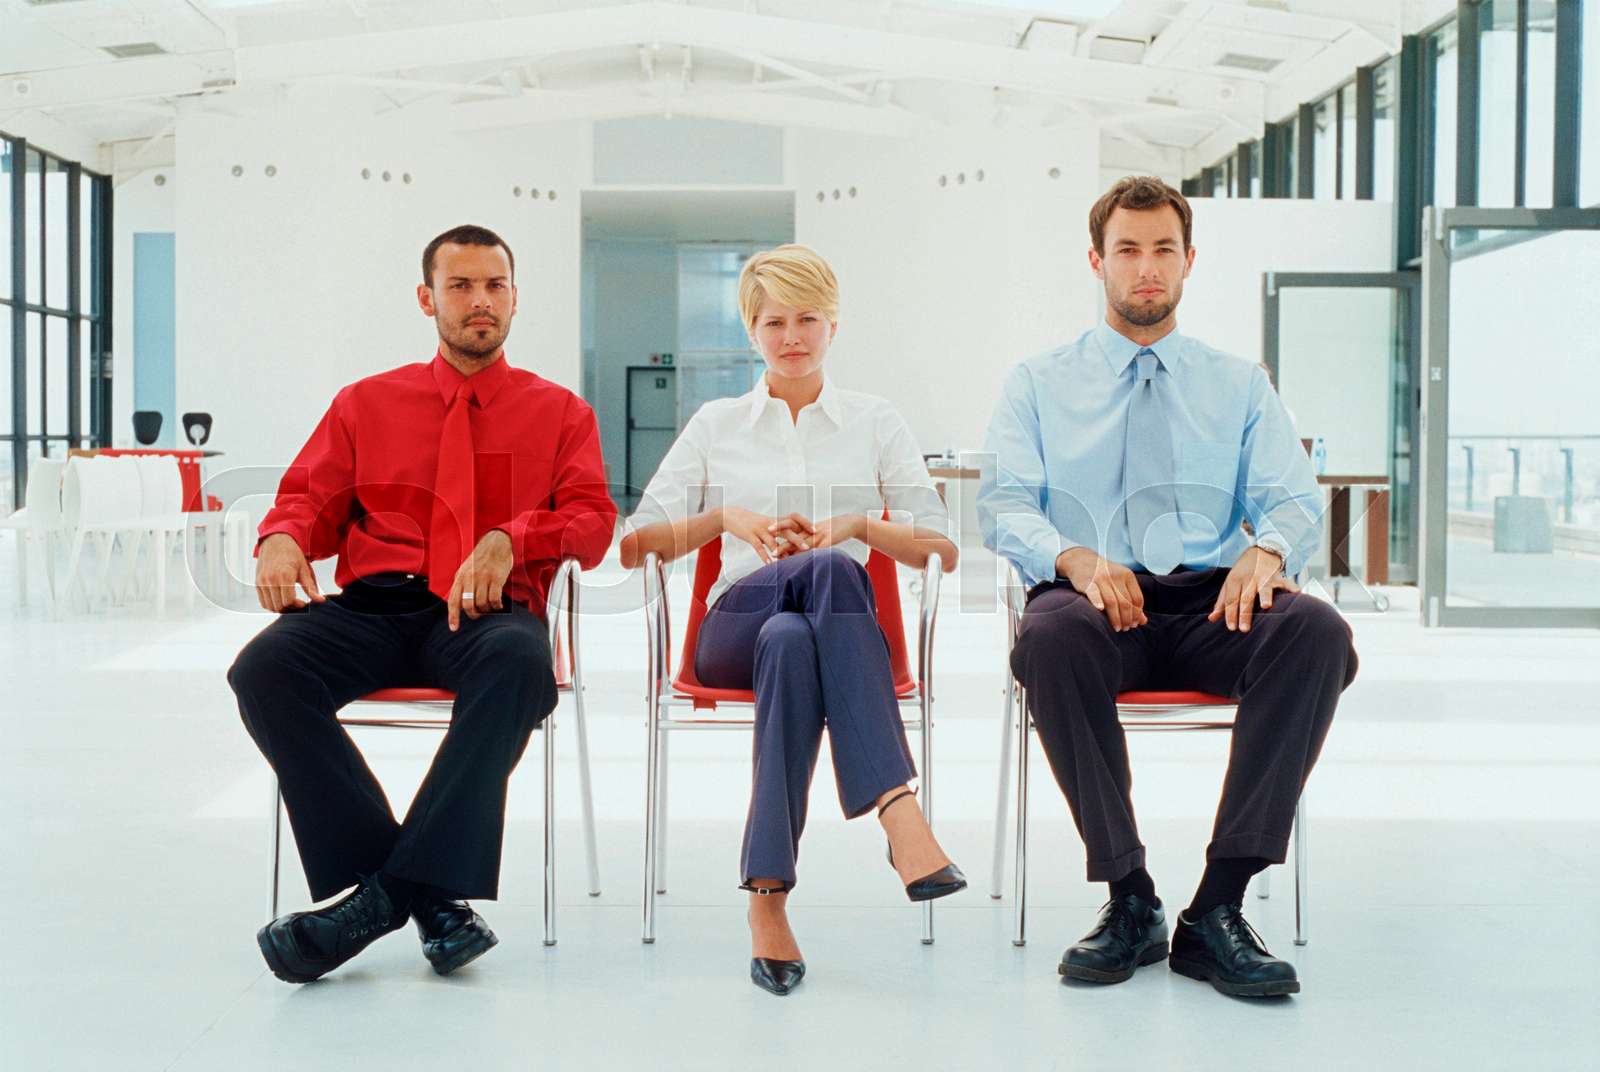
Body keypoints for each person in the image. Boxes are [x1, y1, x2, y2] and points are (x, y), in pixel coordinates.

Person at [977, 177, 1358, 999]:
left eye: (1162, 250)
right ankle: (1130, 897)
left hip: (1210, 602)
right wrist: (1075, 558)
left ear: (1188, 263)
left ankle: (1216, 909)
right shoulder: (1038, 382)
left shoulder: (1238, 384)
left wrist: (1271, 552)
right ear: (1096, 261)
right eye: (1127, 250)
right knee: (1047, 639)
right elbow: (1004, 503)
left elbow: (1293, 498)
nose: (1146, 267)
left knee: (1317, 633)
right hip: (1092, 599)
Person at [229, 224, 616, 984]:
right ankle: (421, 892)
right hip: (374, 605)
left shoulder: (561, 413)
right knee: (264, 670)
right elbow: (306, 498)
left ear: (514, 298)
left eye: (495, 286)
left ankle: (375, 903)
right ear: (427, 298)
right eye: (461, 286)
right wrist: (280, 539)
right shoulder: (365, 403)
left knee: (520, 663)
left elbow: (595, 523)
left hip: (486, 615)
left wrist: (515, 535)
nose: (481, 302)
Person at [620, 244, 966, 997]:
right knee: (821, 581)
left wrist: (859, 525)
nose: (792, 336)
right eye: (774, 321)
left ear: (834, 325)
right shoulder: (717, 424)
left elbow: (941, 546)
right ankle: (898, 810)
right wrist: (725, 520)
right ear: (751, 331)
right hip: (730, 630)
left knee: (795, 633)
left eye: (808, 318)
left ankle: (768, 899)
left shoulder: (875, 422)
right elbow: (634, 543)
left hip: (805, 640)